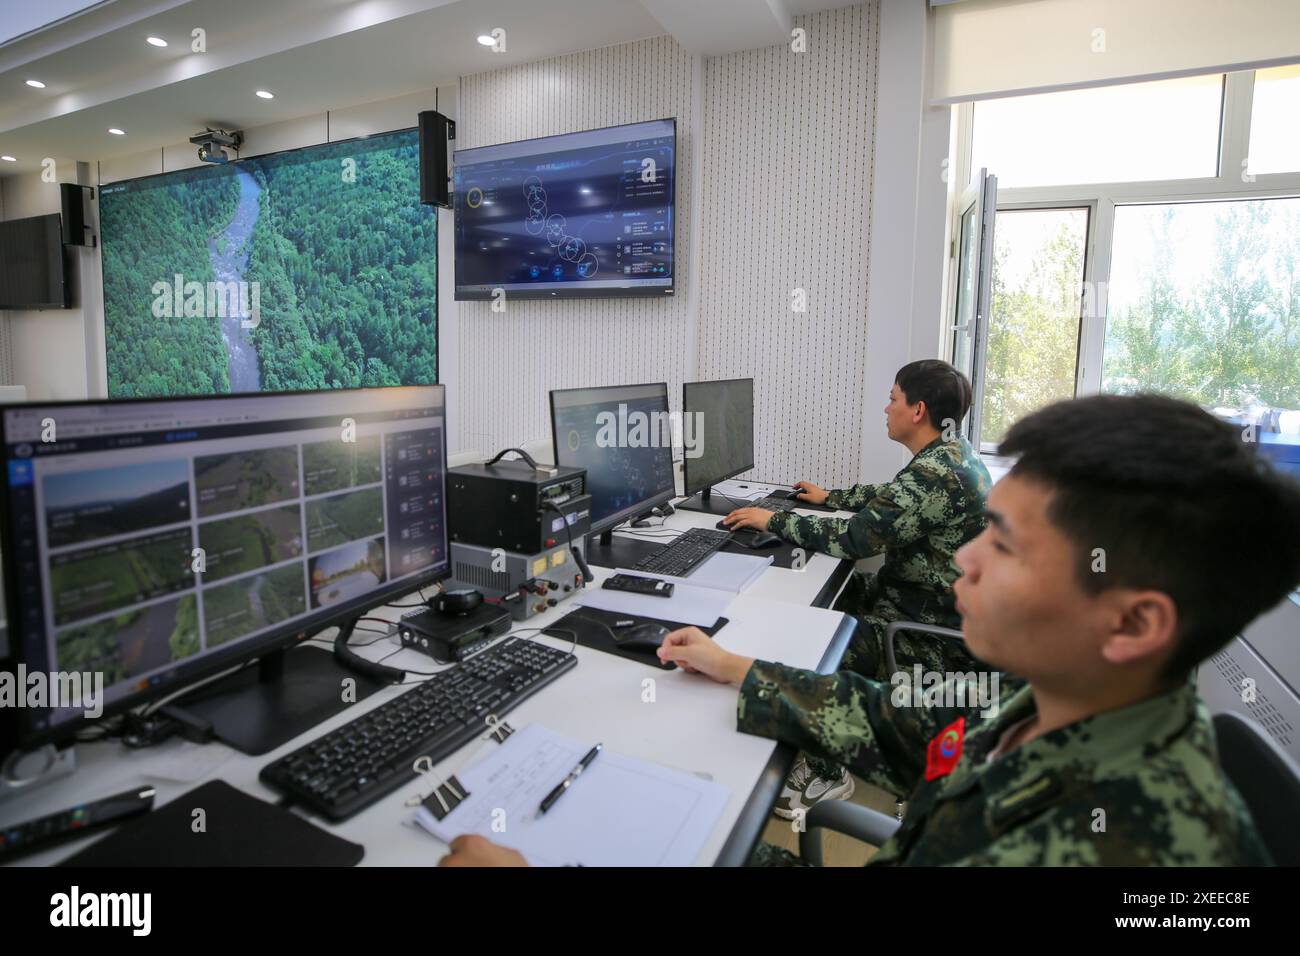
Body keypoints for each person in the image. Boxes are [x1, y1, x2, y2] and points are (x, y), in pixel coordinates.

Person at [440, 395, 1300, 867]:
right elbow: (898, 721)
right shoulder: (1060, 705)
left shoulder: (1114, 849)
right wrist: (741, 667)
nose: (966, 564)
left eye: (1003, 545)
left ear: (1133, 620)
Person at [724, 359, 992, 817]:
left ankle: (829, 777)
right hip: (924, 603)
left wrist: (775, 519)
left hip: (924, 630)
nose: (885, 407)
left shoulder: (936, 473)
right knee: (815, 608)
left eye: (892, 398)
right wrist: (832, 498)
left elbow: (855, 540)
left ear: (917, 410)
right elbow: (891, 498)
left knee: (816, 650)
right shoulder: (950, 453)